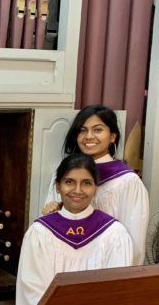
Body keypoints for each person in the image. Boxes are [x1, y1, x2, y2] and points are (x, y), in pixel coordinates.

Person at [12, 153, 133, 305]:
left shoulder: (113, 234)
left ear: (95, 188)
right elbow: (32, 290)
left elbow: (114, 293)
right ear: (58, 187)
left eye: (86, 183)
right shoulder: (40, 232)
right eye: (69, 182)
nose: (77, 190)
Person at [43, 105, 149, 265]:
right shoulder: (64, 173)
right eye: (82, 130)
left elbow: (135, 239)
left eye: (98, 130)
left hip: (106, 263)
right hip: (64, 260)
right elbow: (51, 217)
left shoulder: (127, 181)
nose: (89, 136)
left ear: (113, 136)